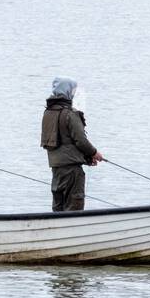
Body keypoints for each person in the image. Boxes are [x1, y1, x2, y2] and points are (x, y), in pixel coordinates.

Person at [40, 77, 102, 212]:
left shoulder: (47, 113)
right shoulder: (70, 114)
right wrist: (93, 153)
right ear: (67, 91)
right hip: (72, 171)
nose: (74, 93)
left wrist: (86, 159)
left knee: (58, 208)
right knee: (74, 206)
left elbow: (63, 142)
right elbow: (81, 141)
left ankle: (57, 232)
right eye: (73, 90)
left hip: (56, 169)